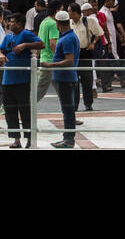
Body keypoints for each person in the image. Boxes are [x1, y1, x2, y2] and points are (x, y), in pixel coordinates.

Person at [0, 11, 43, 148]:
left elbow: (41, 44)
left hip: (22, 79)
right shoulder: (8, 37)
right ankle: (16, 139)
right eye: (9, 21)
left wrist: (24, 46)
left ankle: (29, 138)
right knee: (10, 110)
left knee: (24, 110)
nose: (9, 24)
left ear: (19, 24)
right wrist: (0, 55)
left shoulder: (26, 34)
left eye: (12, 21)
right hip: (8, 79)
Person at [43, 9, 80, 148]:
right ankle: (67, 138)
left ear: (58, 23)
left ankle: (69, 140)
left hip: (66, 78)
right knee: (67, 109)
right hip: (66, 77)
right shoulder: (69, 36)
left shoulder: (67, 38)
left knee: (68, 110)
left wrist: (50, 64)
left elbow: (69, 60)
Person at [35, 0, 63, 101]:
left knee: (60, 88)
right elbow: (53, 43)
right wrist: (59, 58)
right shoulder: (53, 24)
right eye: (61, 9)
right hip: (51, 61)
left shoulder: (44, 21)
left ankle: (68, 112)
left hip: (45, 58)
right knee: (40, 89)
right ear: (56, 10)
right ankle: (27, 108)